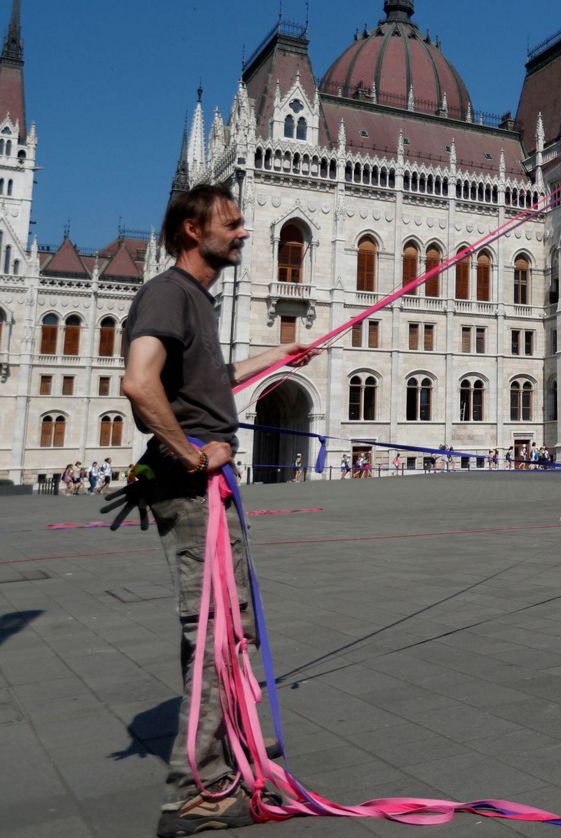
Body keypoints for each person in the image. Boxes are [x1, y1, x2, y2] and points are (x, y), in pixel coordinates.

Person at [116, 185, 312, 836]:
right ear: (193, 231)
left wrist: (281, 356)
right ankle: (193, 791)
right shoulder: (168, 293)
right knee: (212, 636)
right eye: (232, 224)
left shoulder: (196, 301)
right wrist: (194, 455)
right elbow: (140, 382)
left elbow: (212, 384)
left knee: (232, 631)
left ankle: (232, 767)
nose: (244, 232)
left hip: (209, 484)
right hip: (195, 485)